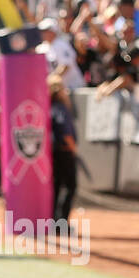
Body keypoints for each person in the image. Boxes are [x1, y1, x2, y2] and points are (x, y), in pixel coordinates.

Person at [49, 76, 79, 225]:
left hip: (52, 152)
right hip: (64, 151)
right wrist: (74, 149)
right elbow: (66, 133)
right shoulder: (60, 108)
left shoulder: (48, 106)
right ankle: (61, 222)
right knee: (69, 186)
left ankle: (53, 220)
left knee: (56, 185)